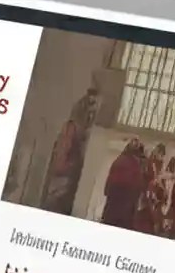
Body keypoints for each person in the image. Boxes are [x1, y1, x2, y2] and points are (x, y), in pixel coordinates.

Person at [41, 86, 99, 215]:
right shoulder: (73, 127)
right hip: (64, 168)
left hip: (66, 167)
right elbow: (63, 151)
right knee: (57, 194)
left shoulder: (86, 109)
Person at [101, 138, 147, 229]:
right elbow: (138, 187)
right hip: (125, 212)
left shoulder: (118, 160)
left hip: (111, 210)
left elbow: (107, 187)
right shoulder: (136, 166)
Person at [134, 142, 168, 234]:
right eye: (160, 154)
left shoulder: (158, 164)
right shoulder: (151, 163)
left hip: (152, 195)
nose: (161, 156)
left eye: (162, 155)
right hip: (148, 193)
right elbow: (150, 177)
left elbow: (159, 179)